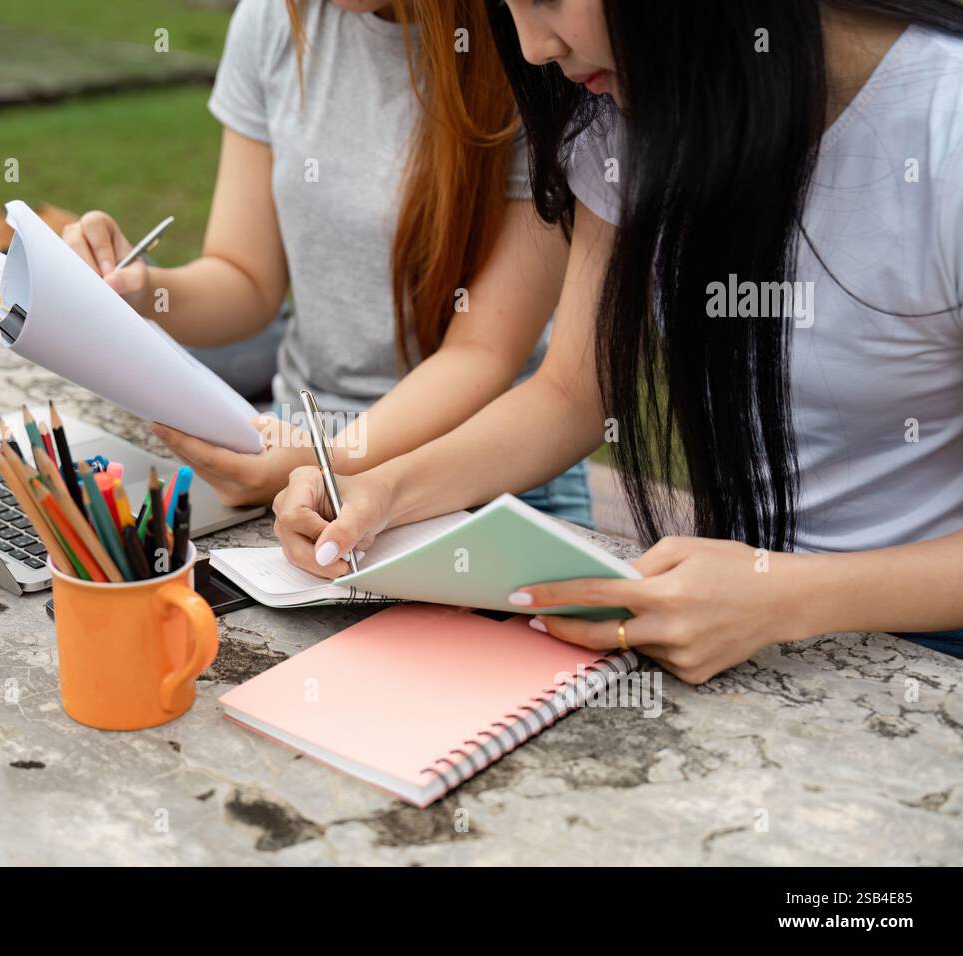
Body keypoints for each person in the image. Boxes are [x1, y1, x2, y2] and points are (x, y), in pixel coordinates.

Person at [270, 0, 963, 680]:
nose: (533, 47)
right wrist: (381, 492)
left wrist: (782, 597)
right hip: (716, 621)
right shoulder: (630, 111)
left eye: (546, 0)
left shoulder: (945, 123)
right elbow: (571, 393)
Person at [62, 0, 594, 526]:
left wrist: (326, 465)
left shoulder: (536, 49)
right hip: (296, 450)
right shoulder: (273, 20)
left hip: (483, 477)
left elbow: (480, 352)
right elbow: (245, 280)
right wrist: (140, 289)